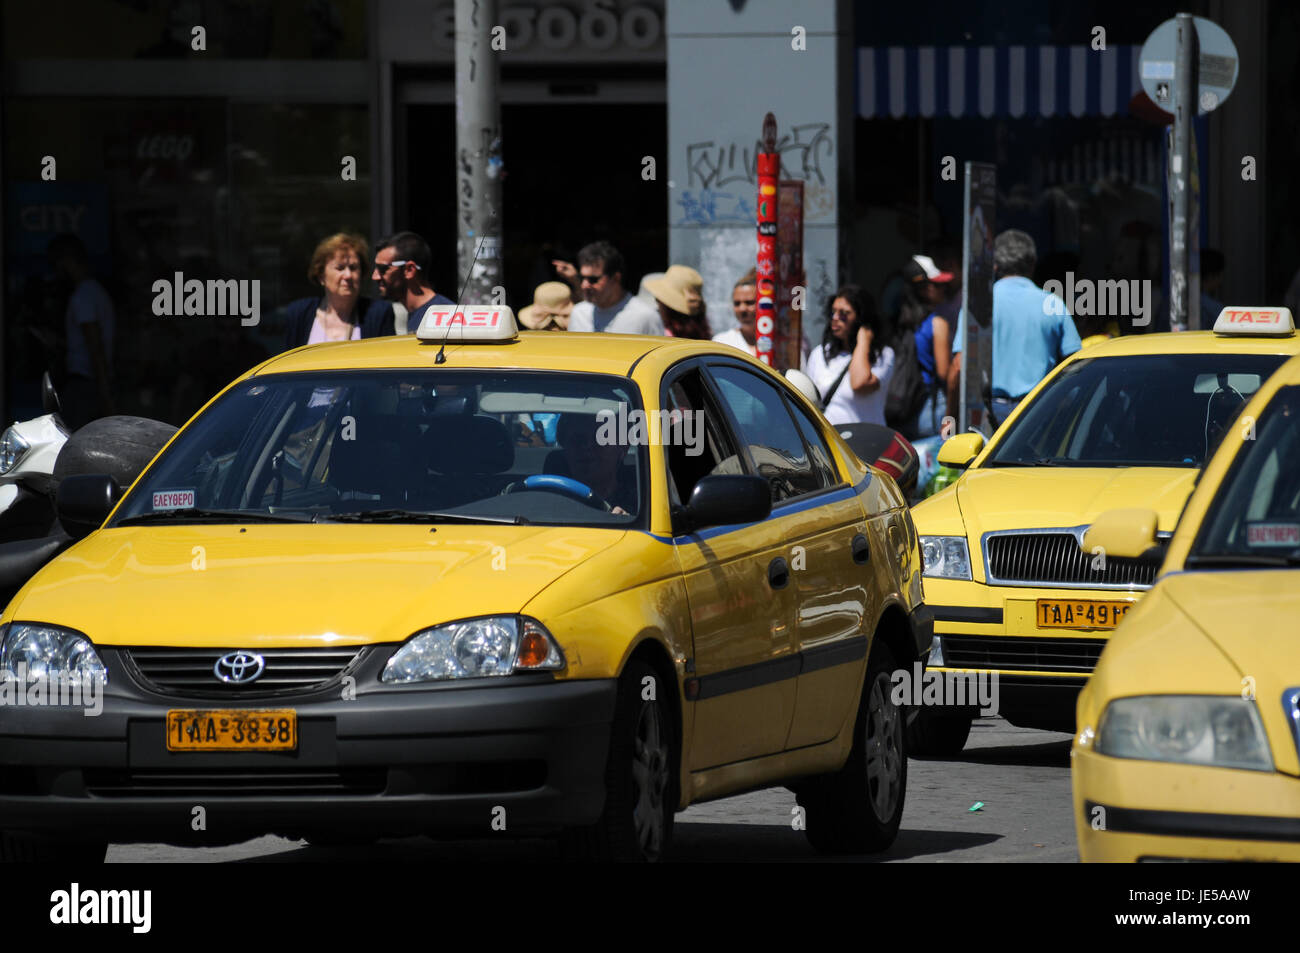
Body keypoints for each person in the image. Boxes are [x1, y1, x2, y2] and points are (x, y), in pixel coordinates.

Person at [948, 229, 1081, 425]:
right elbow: (1075, 365)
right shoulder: (1053, 304)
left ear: (994, 265)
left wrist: (949, 417)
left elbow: (958, 366)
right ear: (1032, 264)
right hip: (1038, 410)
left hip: (989, 413)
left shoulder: (978, 305)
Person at [283, 233, 396, 350]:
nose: (348, 275)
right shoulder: (299, 314)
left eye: (353, 268)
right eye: (340, 268)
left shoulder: (378, 313)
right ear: (321, 276)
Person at [47, 233, 115, 429]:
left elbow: (95, 346)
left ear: (66, 261)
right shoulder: (94, 292)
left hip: (86, 386)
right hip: (91, 384)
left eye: (56, 263)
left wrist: (105, 396)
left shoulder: (83, 297)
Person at [805, 285, 895, 426]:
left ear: (861, 318)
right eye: (833, 312)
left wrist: (863, 340)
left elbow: (859, 383)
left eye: (844, 313)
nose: (835, 318)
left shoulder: (883, 355)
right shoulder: (820, 353)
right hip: (829, 443)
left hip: (867, 443)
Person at [897, 255, 956, 437]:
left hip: (900, 407)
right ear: (925, 289)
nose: (944, 289)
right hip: (929, 407)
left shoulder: (899, 323)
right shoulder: (938, 323)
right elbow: (944, 373)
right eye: (938, 284)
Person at [547, 413, 636, 515]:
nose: (587, 447)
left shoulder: (643, 504)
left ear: (623, 448)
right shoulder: (545, 501)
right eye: (578, 439)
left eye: (600, 438)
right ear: (566, 448)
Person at [568, 241, 662, 335]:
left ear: (615, 278)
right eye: (582, 278)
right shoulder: (578, 313)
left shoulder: (645, 316)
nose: (584, 285)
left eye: (593, 279)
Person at [372, 231, 454, 334]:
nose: (375, 277)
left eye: (382, 269)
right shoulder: (418, 314)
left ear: (410, 270)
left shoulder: (442, 318)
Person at [645, 265, 710, 339]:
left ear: (668, 307)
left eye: (658, 299)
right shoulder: (703, 333)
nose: (657, 304)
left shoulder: (661, 335)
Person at [712, 269, 758, 356]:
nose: (742, 309)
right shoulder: (722, 342)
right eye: (737, 303)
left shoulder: (780, 343)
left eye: (749, 302)